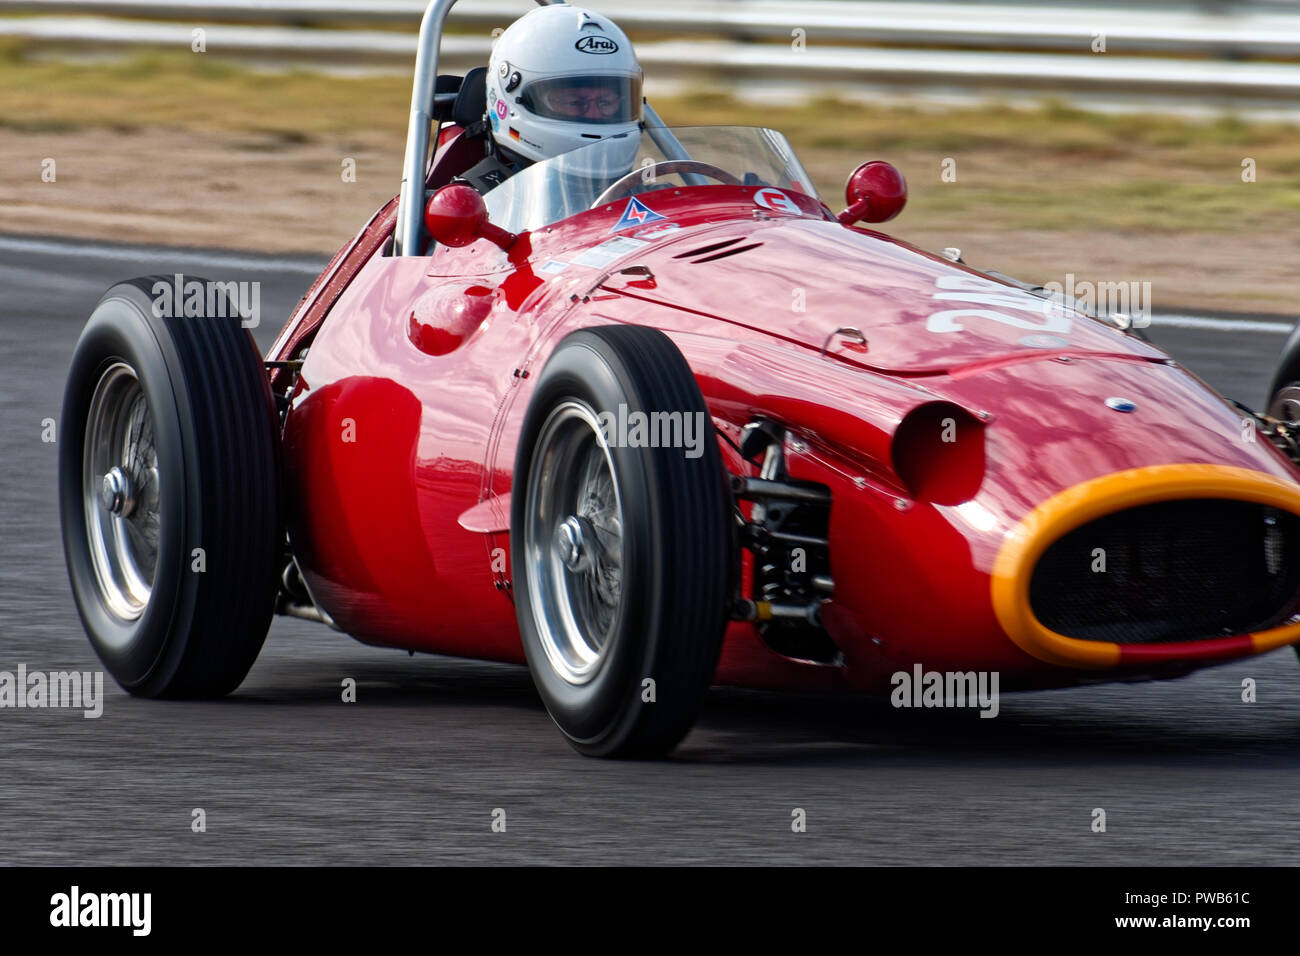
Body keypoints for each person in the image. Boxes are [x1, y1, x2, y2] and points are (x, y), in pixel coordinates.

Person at [457, 1, 644, 193]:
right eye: (575, 102)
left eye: (606, 102)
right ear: (515, 99)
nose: (595, 114)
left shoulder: (652, 199)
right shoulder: (473, 203)